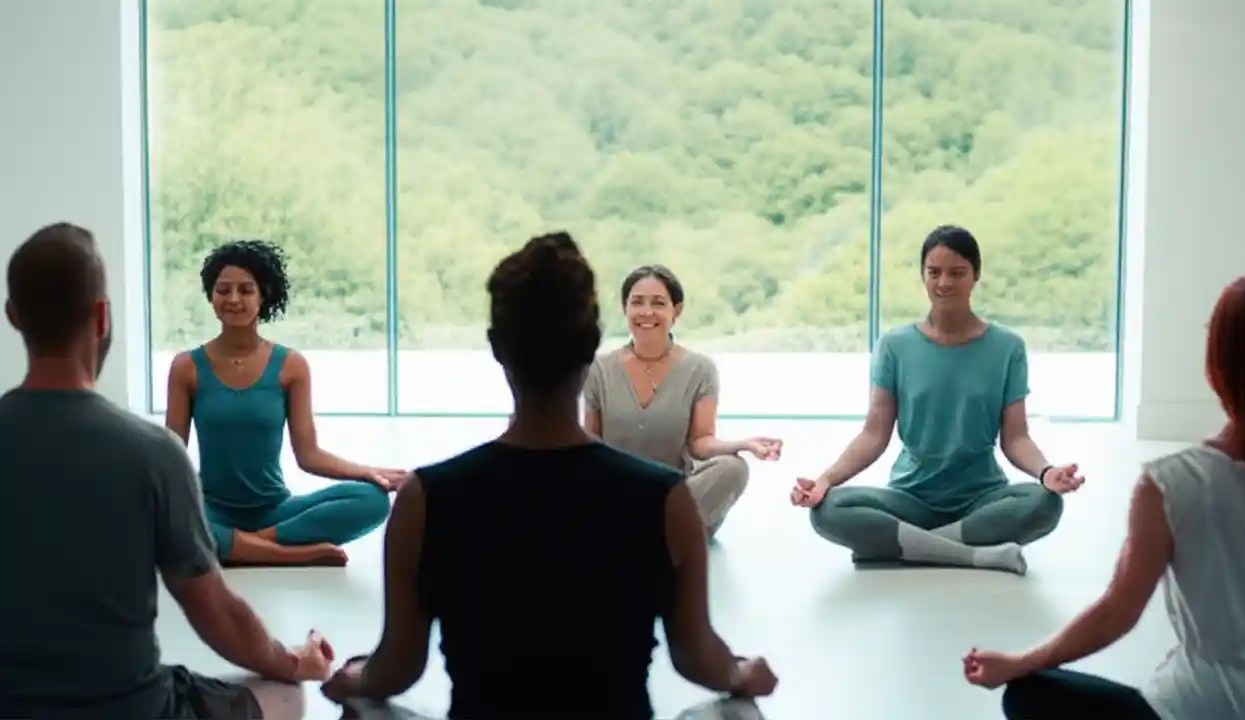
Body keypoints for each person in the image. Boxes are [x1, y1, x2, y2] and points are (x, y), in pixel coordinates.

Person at [318, 232, 778, 719]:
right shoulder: (665, 500)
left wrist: (356, 678)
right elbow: (697, 657)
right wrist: (741, 674)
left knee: (362, 709)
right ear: (591, 348)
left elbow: (396, 668)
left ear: (497, 347)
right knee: (740, 713)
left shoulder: (427, 497)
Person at [0, 223, 333, 719]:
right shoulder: (153, 453)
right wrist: (294, 661)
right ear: (101, 317)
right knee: (286, 693)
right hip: (136, 709)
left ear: (13, 316)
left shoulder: (279, 368)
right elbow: (217, 614)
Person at [963, 271, 1245, 719]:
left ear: (1217, 369)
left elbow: (1117, 612)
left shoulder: (1175, 482)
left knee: (1026, 694)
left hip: (1194, 708)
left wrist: (1020, 663)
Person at [792, 225, 1083, 574]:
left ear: (976, 276)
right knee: (827, 510)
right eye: (934, 272)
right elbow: (873, 434)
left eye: (957, 273)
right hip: (909, 500)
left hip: (981, 500)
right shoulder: (894, 346)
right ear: (923, 276)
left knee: (1043, 503)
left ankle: (905, 547)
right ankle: (970, 554)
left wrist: (1047, 473)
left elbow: (1016, 437)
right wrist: (824, 481)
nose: (944, 283)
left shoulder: (1007, 348)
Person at [165, 239, 407, 567]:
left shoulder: (290, 366)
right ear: (211, 295)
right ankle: (286, 553)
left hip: (275, 512)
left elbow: (309, 455)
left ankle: (243, 547)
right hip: (212, 510)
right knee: (164, 517)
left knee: (372, 500)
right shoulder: (187, 367)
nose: (233, 299)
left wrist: (367, 472)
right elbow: (172, 455)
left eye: (245, 290)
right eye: (223, 290)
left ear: (263, 296)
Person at [583, 265, 782, 538]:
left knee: (733, 468)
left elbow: (701, 442)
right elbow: (591, 446)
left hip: (675, 496)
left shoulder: (700, 369)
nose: (647, 312)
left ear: (676, 311)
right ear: (625, 309)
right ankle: (653, 531)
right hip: (617, 495)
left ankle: (651, 530)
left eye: (658, 303)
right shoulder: (598, 369)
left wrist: (743, 444)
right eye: (637, 302)